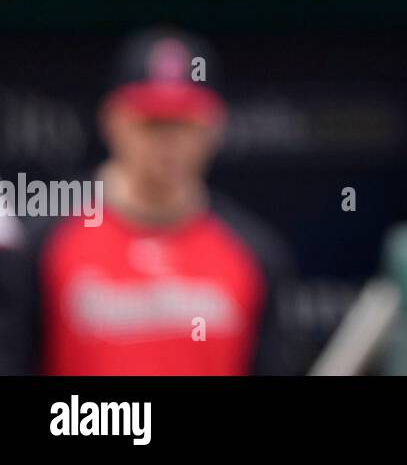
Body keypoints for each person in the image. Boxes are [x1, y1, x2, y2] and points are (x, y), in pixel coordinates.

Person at [0, 28, 299, 375]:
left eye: (184, 123)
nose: (169, 142)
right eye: (153, 123)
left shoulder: (254, 252)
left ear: (214, 127)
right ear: (113, 121)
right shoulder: (43, 241)